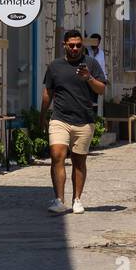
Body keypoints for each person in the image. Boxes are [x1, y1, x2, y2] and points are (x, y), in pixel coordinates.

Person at [41, 29, 107, 215]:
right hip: (60, 118)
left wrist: (89, 78)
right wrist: (42, 115)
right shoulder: (55, 66)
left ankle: (77, 199)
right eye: (72, 45)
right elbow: (48, 93)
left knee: (79, 161)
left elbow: (101, 89)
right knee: (57, 156)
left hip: (84, 120)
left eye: (79, 45)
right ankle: (59, 200)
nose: (76, 48)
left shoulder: (91, 64)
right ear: (64, 45)